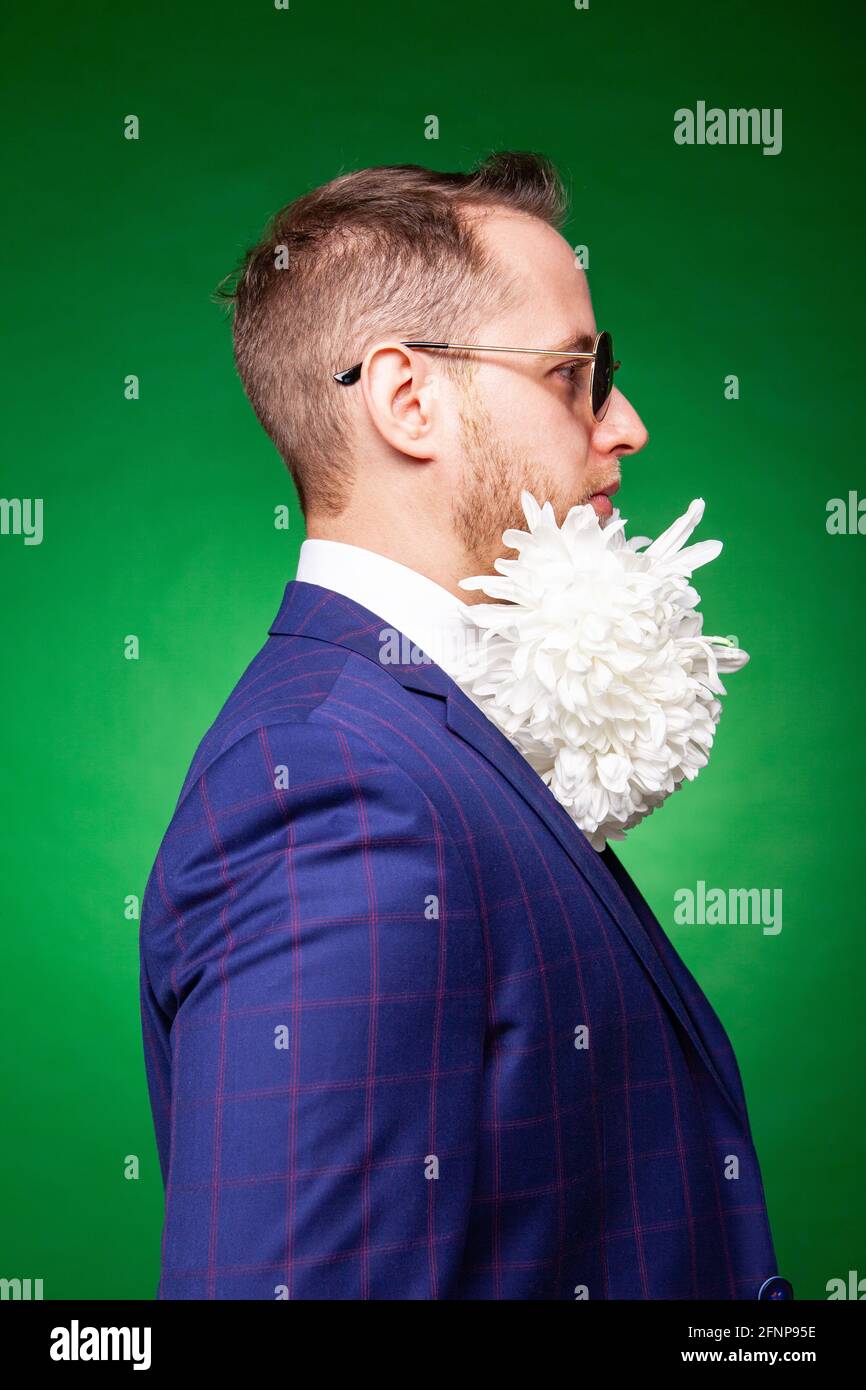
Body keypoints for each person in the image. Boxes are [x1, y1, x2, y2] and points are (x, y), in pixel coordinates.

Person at [139, 151, 790, 1300]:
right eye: (572, 374)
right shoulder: (330, 782)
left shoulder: (422, 741)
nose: (623, 423)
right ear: (406, 397)